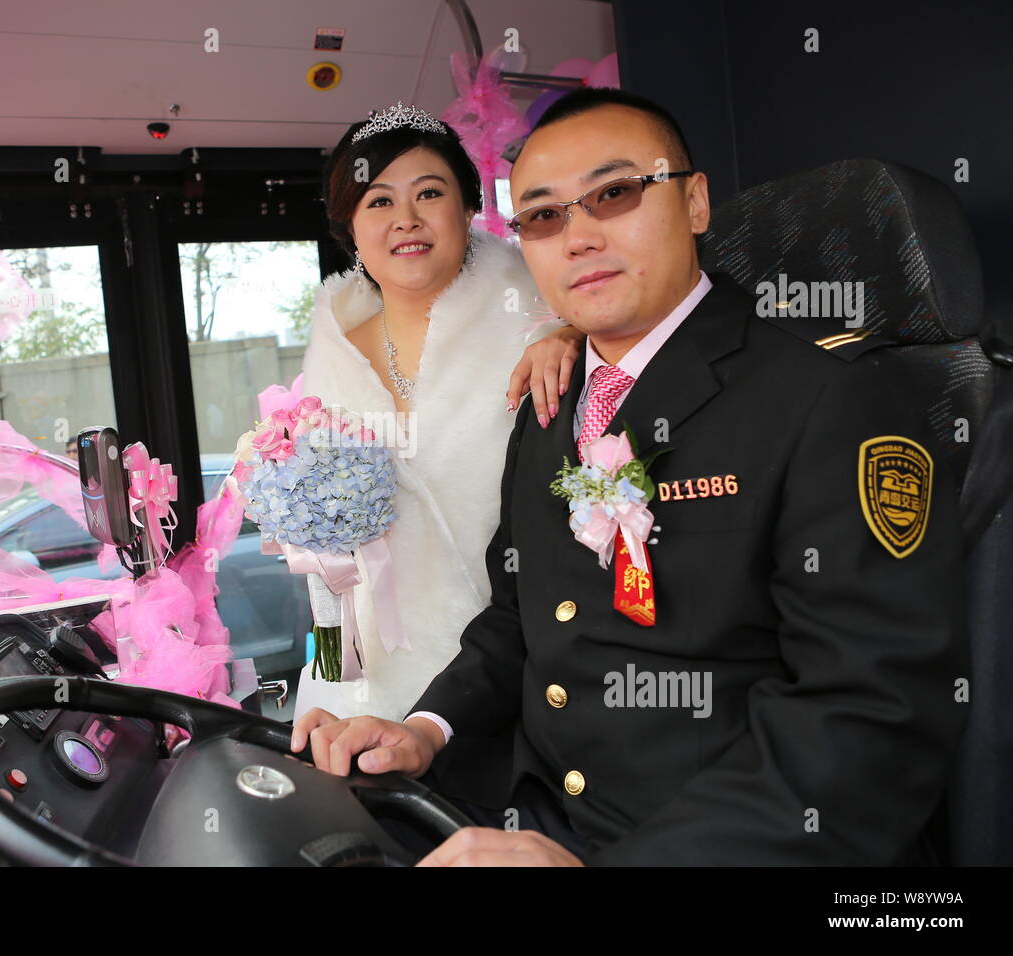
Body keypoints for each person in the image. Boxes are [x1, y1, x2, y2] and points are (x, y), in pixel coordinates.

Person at [291, 86, 969, 866]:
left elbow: (870, 712)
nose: (577, 238)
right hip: (533, 809)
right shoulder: (548, 404)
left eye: (614, 195)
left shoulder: (832, 397)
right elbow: (520, 618)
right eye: (545, 216)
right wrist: (421, 729)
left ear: (697, 203)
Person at [293, 102, 582, 722]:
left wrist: (573, 336)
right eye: (377, 201)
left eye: (429, 193)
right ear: (348, 225)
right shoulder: (330, 359)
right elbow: (324, 568)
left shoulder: (546, 319)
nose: (406, 220)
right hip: (370, 689)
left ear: (470, 207)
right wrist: (331, 674)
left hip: (523, 673)